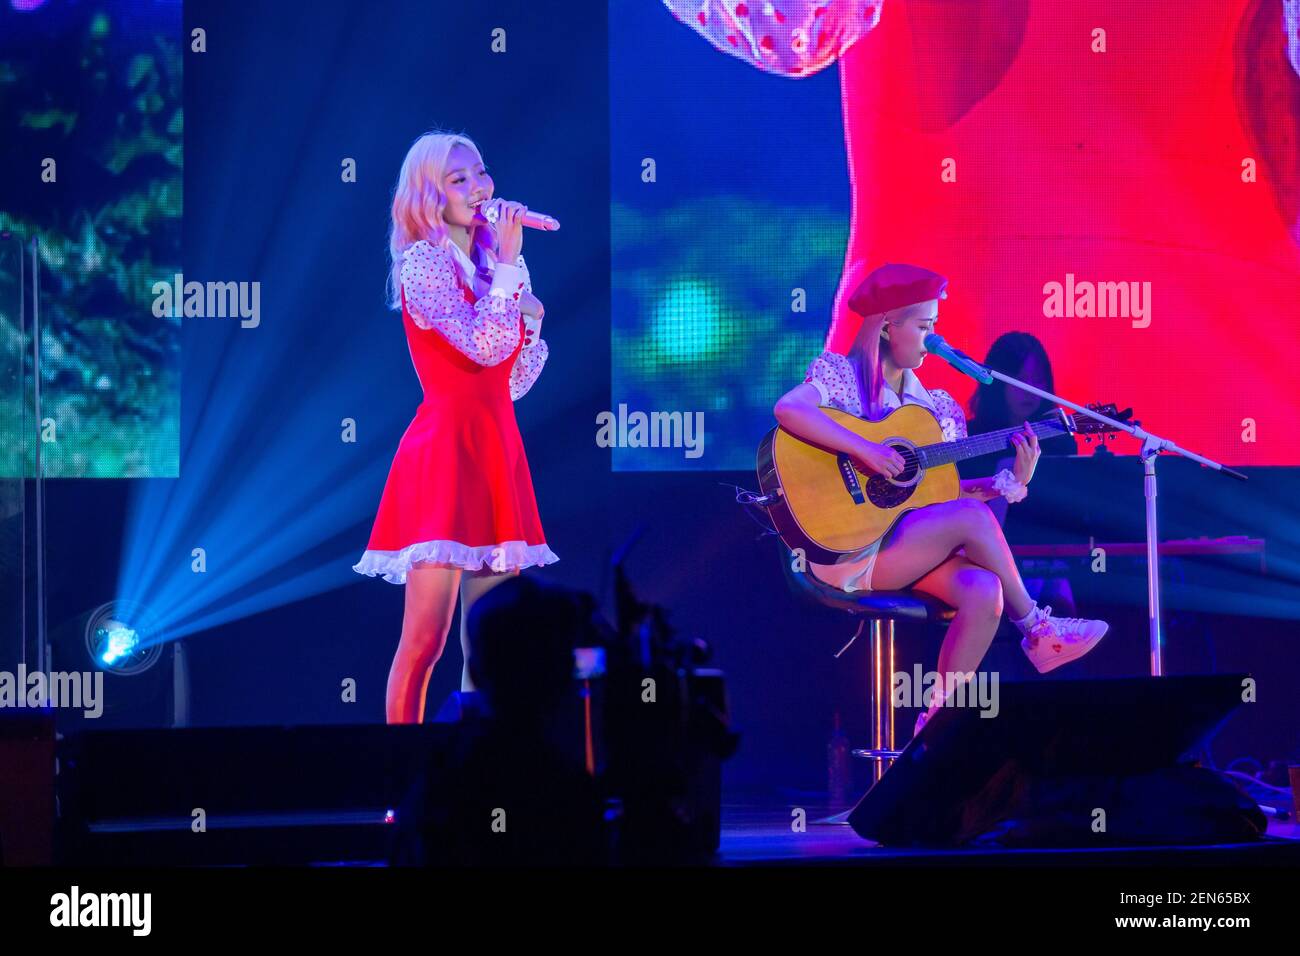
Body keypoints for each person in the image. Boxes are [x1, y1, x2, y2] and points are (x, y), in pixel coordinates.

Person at [772, 262, 1109, 735]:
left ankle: (934, 725)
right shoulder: (841, 377)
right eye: (924, 327)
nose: (934, 339)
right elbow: (788, 410)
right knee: (970, 519)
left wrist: (1008, 481)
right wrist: (866, 449)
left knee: (984, 591)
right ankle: (1036, 628)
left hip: (903, 545)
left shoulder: (935, 409)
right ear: (888, 326)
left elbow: (943, 498)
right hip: (848, 550)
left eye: (935, 327)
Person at [352, 131, 559, 724]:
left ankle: (479, 786)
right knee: (425, 642)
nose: (477, 188)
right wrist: (513, 273)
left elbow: (508, 381)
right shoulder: (423, 263)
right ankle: (403, 786)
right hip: (444, 453)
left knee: (494, 648)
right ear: (430, 195)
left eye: (480, 173)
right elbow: (481, 344)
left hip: (496, 449)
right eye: (458, 179)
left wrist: (527, 310)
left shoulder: (492, 263)